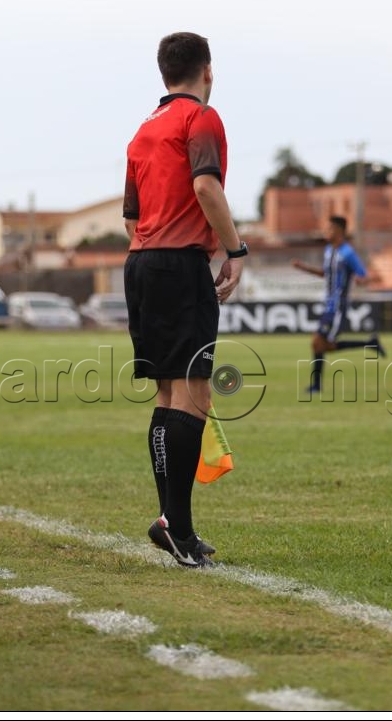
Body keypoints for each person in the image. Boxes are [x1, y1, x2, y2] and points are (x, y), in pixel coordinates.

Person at [123, 31, 245, 568]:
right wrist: (235, 249)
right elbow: (205, 187)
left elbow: (130, 215)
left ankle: (171, 522)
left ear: (162, 73)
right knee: (194, 394)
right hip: (178, 265)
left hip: (142, 264)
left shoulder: (142, 132)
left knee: (167, 394)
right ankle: (180, 529)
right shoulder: (201, 119)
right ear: (208, 71)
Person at [293, 216, 384, 396]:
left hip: (338, 307)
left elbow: (364, 275)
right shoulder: (329, 250)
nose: (327, 232)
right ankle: (369, 345)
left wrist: (362, 279)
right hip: (328, 305)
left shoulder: (348, 253)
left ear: (339, 231)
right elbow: (325, 274)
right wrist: (303, 267)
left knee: (320, 343)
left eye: (329, 229)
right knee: (320, 344)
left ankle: (316, 386)